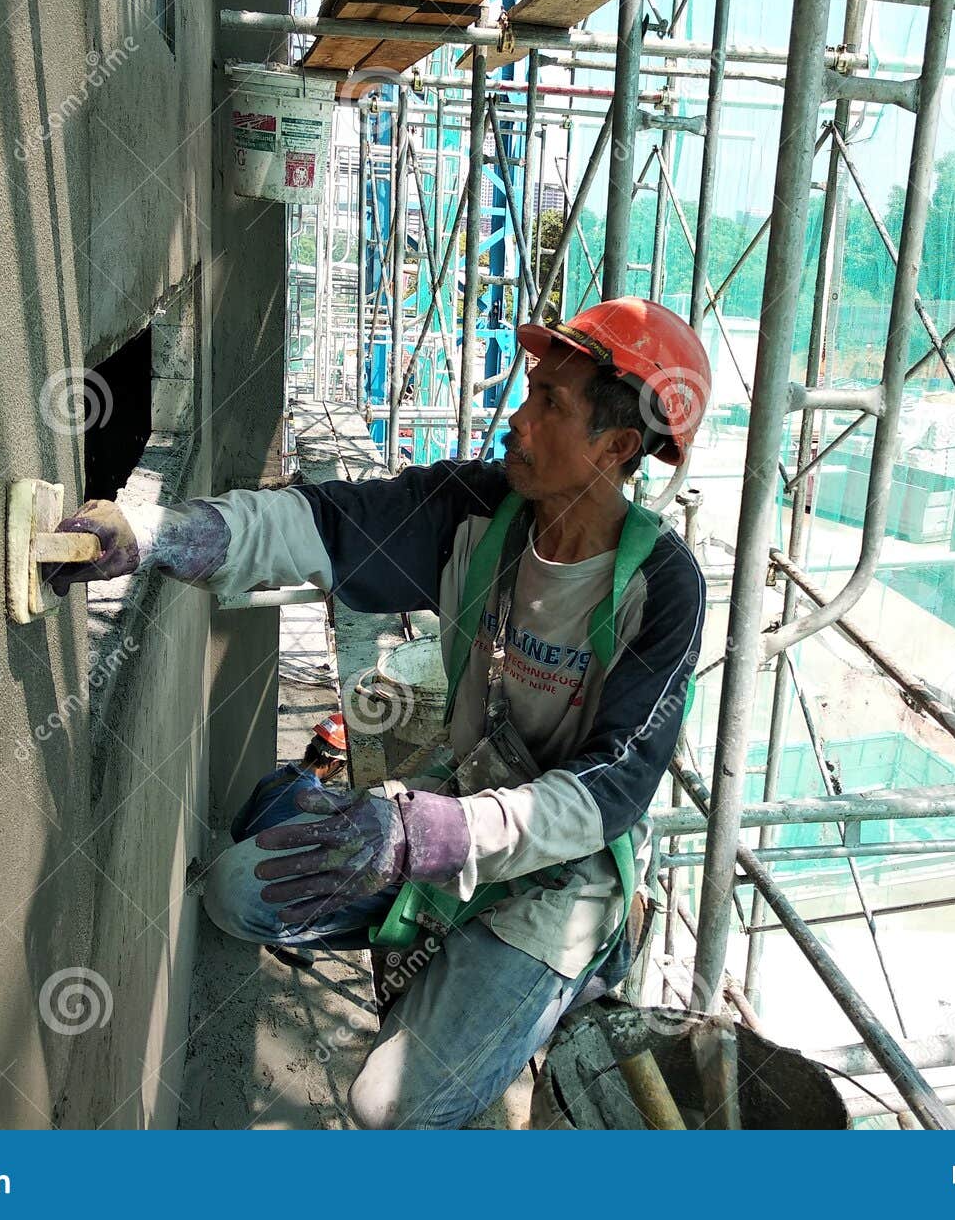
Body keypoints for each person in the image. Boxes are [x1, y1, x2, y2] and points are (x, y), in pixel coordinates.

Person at [47, 296, 710, 1128]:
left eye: (551, 405)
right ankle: (443, 950)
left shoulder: (665, 589)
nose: (520, 420)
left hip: (563, 872)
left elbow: (611, 792)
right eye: (531, 391)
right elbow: (322, 525)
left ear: (616, 447)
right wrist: (156, 534)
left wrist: (422, 839)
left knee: (384, 1107)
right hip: (453, 806)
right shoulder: (477, 512)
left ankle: (557, 970)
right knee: (238, 894)